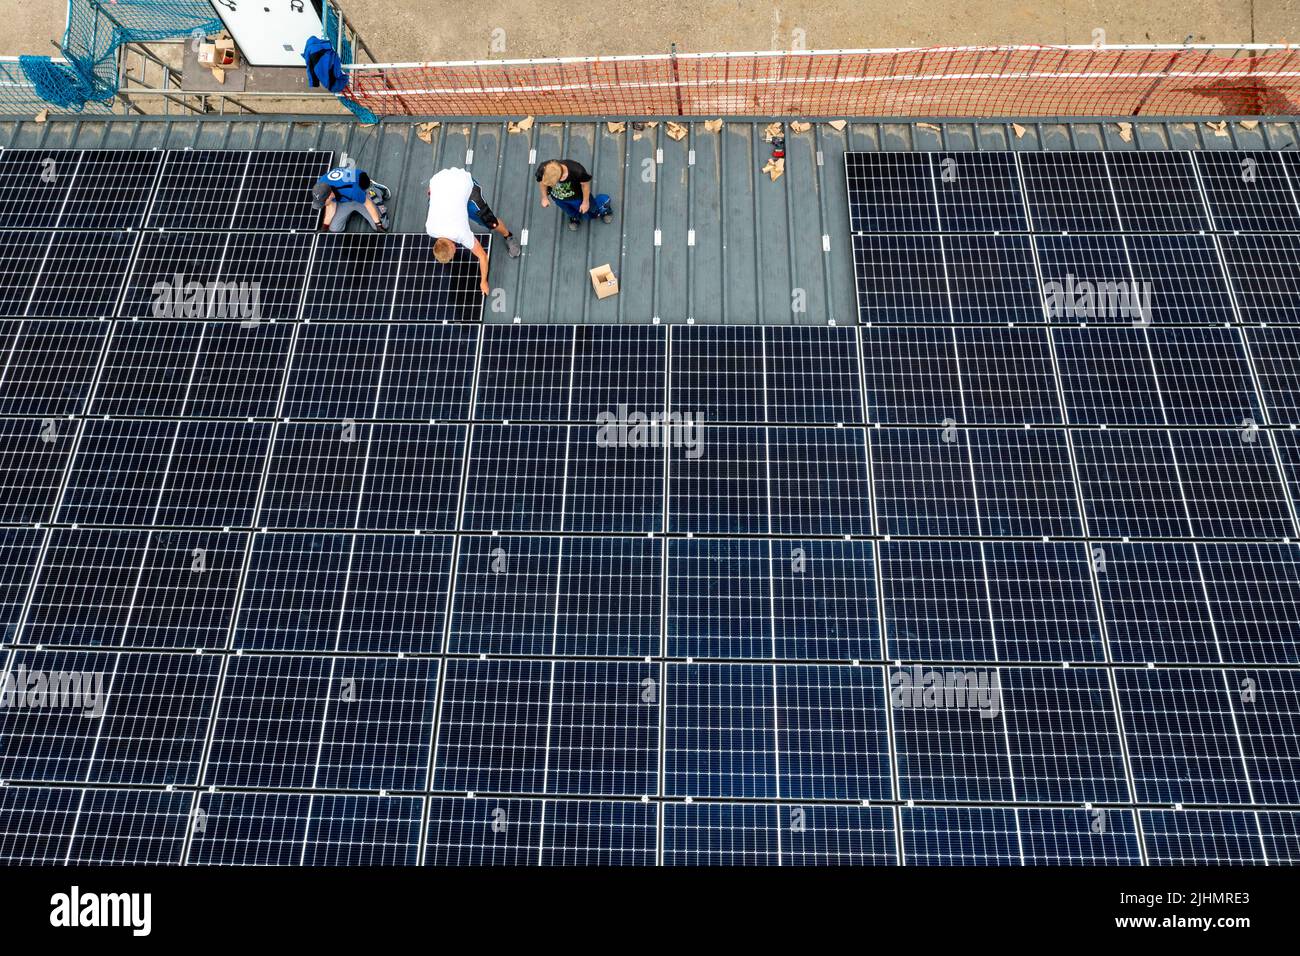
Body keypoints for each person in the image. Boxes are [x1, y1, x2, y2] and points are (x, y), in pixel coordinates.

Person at [426, 167, 521, 296]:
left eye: (453, 254)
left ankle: (508, 236)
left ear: (453, 246)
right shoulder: (430, 229)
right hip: (437, 180)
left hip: (464, 183)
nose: (454, 254)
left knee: (489, 222)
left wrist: (483, 282)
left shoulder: (461, 233)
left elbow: (482, 256)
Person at [535, 159, 613, 230]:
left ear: (561, 177)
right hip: (559, 199)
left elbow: (585, 185)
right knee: (569, 211)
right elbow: (542, 183)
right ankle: (575, 217)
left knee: (592, 211)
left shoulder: (577, 171)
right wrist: (544, 197)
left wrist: (585, 203)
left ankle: (605, 207)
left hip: (577, 198)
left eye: (552, 184)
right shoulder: (544, 168)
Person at [312, 165, 391, 232]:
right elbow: (331, 206)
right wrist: (324, 228)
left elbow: (368, 204)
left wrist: (378, 224)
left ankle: (376, 189)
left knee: (383, 226)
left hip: (362, 192)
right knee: (334, 228)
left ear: (330, 195)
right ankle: (350, 210)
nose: (323, 205)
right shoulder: (321, 185)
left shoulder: (351, 190)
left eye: (323, 202)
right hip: (345, 199)